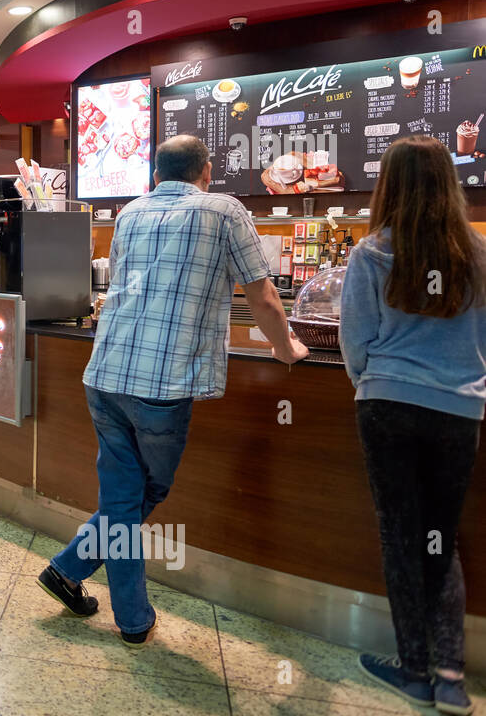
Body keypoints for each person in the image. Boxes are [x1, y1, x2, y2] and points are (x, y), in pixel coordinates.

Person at [39, 134, 307, 645]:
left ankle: (70, 571)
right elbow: (264, 295)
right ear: (206, 171)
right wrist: (286, 347)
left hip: (105, 374)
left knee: (123, 495)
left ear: (156, 175)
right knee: (146, 491)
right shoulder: (224, 210)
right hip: (159, 385)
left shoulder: (130, 213)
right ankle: (130, 619)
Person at [339, 136, 486, 716]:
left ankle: (414, 669)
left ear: (388, 185)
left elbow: (355, 342)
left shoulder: (373, 252)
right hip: (459, 413)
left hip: (388, 407)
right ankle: (452, 677)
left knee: (402, 536)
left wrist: (371, 384)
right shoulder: (478, 254)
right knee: (439, 539)